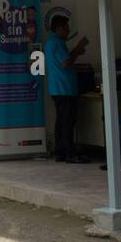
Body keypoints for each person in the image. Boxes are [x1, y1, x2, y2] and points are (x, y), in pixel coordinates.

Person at [45, 15, 89, 163]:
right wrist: (77, 49)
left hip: (58, 88)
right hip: (64, 88)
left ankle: (60, 152)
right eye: (66, 28)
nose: (68, 30)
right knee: (67, 122)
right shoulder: (56, 42)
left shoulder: (53, 42)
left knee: (61, 121)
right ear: (58, 28)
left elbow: (64, 60)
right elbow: (66, 63)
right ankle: (70, 153)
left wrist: (75, 52)